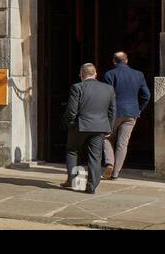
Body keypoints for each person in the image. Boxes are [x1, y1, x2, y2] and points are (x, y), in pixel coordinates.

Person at [63, 62, 115, 194]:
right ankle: (91, 186)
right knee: (95, 156)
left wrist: (70, 124)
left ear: (81, 75)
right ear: (96, 74)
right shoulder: (108, 89)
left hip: (80, 125)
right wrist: (109, 127)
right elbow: (112, 110)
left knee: (72, 151)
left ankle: (73, 181)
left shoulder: (77, 87)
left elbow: (71, 110)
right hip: (99, 127)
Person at [102, 51, 150, 180]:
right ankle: (116, 173)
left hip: (114, 113)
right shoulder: (138, 75)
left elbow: (107, 96)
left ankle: (109, 163)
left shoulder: (109, 74)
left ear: (114, 61)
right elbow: (146, 95)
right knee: (123, 143)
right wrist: (139, 109)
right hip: (131, 113)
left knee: (106, 137)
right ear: (126, 60)